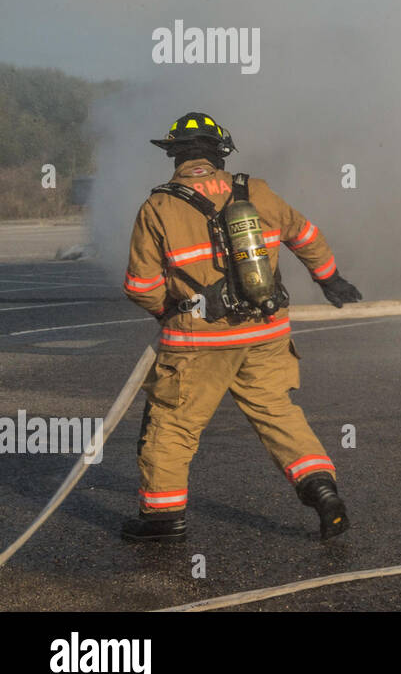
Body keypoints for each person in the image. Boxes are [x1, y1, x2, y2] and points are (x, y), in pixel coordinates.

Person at [120, 111, 363, 541]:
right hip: (266, 333)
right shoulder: (257, 192)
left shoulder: (159, 206)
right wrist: (329, 279)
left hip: (199, 341)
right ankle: (322, 491)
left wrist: (170, 313)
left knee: (173, 425)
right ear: (220, 153)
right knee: (279, 415)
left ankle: (162, 519)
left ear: (174, 155)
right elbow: (305, 234)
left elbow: (140, 286)